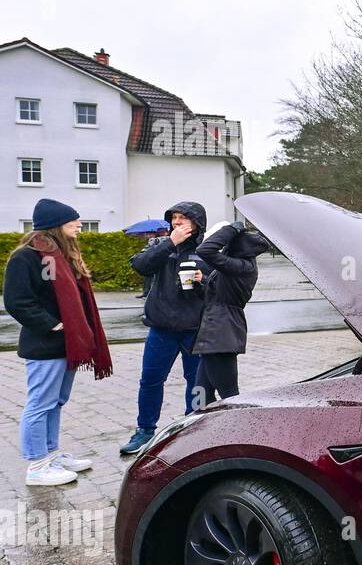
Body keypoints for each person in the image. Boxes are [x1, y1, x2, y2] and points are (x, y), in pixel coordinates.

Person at [3, 199, 113, 486]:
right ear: (55, 226)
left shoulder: (63, 254)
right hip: (45, 345)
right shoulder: (27, 257)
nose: (79, 225)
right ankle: (37, 465)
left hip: (67, 345)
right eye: (72, 221)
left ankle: (51, 454)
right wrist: (53, 324)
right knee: (40, 403)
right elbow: (17, 301)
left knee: (56, 401)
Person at [119, 201, 211, 455]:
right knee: (150, 380)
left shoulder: (207, 250)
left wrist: (204, 282)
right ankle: (145, 431)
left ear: (197, 222)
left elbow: (219, 287)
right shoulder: (161, 246)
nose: (177, 222)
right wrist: (171, 242)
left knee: (197, 382)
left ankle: (195, 428)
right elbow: (139, 265)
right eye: (174, 218)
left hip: (195, 328)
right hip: (161, 328)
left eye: (184, 218)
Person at [193, 220, 270, 405]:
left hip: (221, 334)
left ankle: (242, 430)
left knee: (230, 395)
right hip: (216, 333)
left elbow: (205, 250)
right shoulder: (236, 266)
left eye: (229, 242)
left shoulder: (241, 266)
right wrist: (201, 283)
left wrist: (232, 229)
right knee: (201, 395)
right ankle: (203, 430)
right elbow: (220, 294)